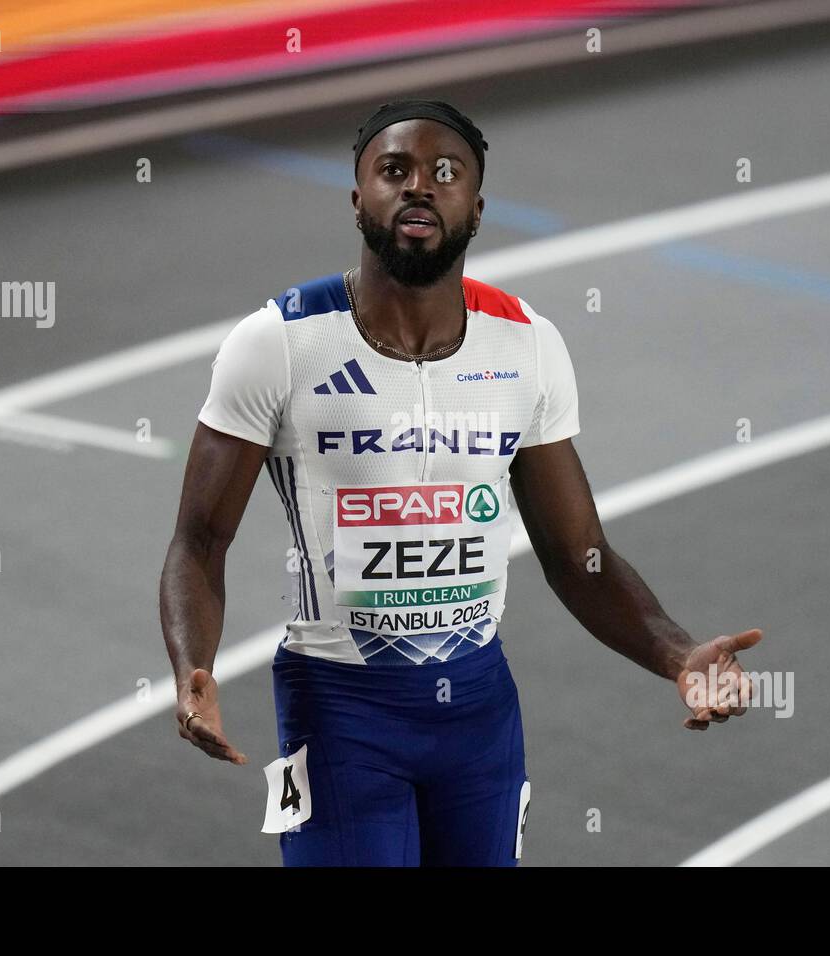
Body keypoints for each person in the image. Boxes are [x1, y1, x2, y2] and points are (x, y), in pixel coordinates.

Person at [159, 99, 763, 866]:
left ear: (475, 208)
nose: (420, 186)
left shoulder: (527, 346)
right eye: (394, 170)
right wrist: (193, 671)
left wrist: (679, 656)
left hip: (478, 713)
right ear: (357, 200)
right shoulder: (280, 343)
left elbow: (579, 555)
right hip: (340, 712)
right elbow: (199, 540)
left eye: (445, 173)